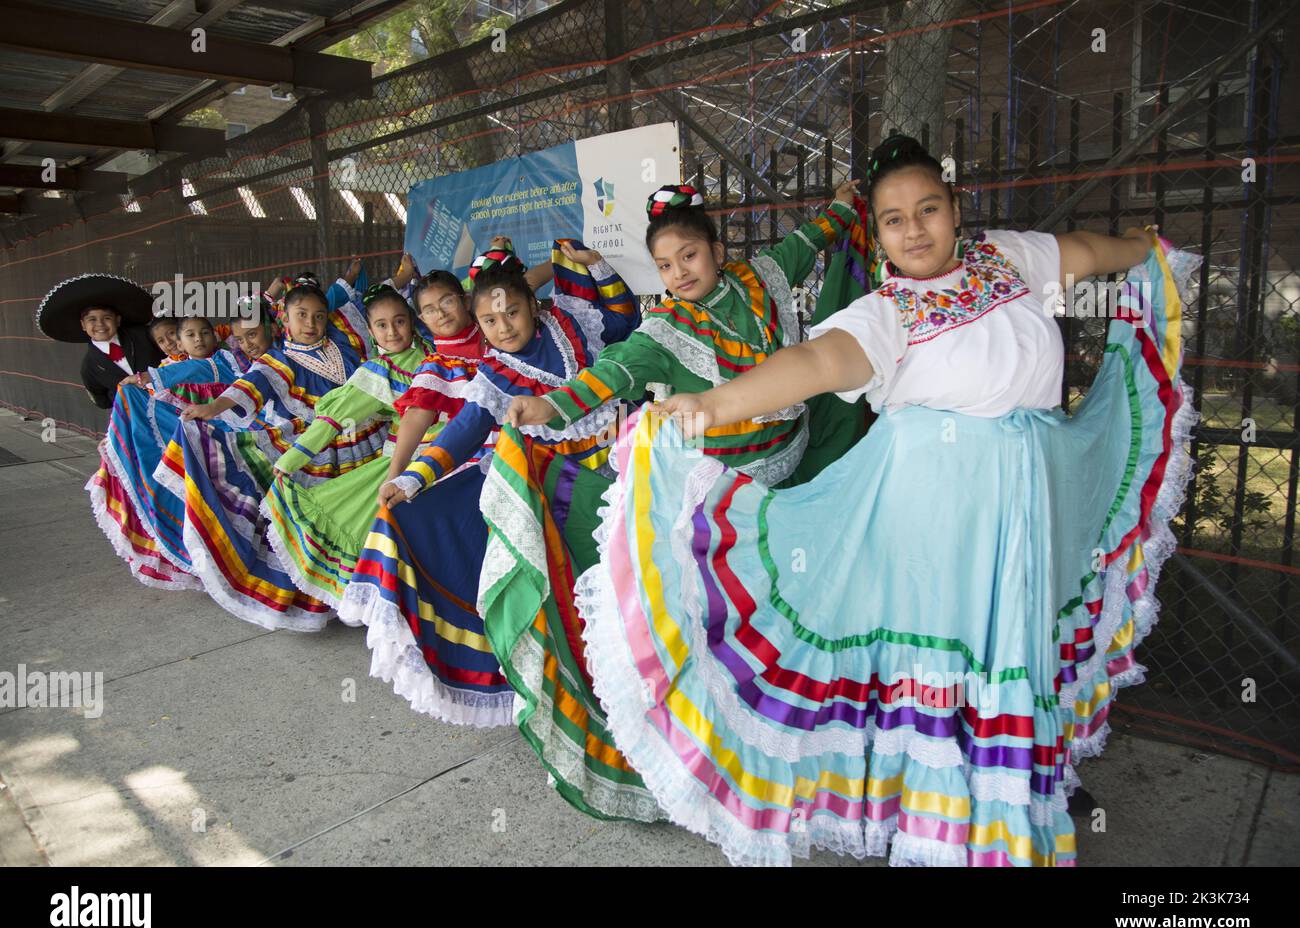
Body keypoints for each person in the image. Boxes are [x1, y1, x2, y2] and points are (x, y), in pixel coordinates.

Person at [572, 134, 1200, 867]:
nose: (915, 229)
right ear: (878, 231)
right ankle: (951, 822)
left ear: (955, 208)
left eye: (928, 208)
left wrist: (1136, 246)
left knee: (1019, 639)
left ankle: (1028, 782)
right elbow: (811, 362)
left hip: (1031, 503)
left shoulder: (1010, 257)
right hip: (934, 520)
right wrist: (711, 405)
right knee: (954, 651)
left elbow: (1085, 253)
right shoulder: (884, 311)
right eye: (895, 218)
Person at [481, 182, 863, 822]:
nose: (678, 273)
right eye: (663, 265)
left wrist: (848, 207)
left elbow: (810, 239)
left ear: (715, 249)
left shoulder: (761, 277)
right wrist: (548, 406)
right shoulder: (664, 326)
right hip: (723, 489)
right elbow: (616, 370)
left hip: (798, 454)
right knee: (667, 589)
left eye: (688, 256)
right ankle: (686, 734)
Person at [338, 239, 639, 727]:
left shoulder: (570, 324)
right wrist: (412, 479)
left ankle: (643, 676)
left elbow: (625, 321)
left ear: (533, 305)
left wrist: (599, 266)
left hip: (621, 461)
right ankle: (586, 687)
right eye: (491, 323)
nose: (504, 327)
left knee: (632, 572)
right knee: (578, 586)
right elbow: (461, 432)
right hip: (554, 490)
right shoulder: (494, 374)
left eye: (512, 313)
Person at [161, 275, 389, 630]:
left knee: (366, 515)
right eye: (301, 315)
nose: (310, 324)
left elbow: (366, 308)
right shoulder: (278, 361)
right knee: (320, 522)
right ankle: (322, 597)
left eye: (317, 316)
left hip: (371, 442)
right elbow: (249, 387)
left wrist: (401, 277)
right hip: (318, 451)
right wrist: (211, 409)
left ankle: (371, 590)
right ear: (285, 319)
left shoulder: (344, 340)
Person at [260, 283, 461, 611]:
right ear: (370, 331)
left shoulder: (431, 348)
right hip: (413, 461)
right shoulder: (379, 372)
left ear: (412, 321)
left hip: (452, 455)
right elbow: (331, 421)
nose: (392, 332)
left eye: (399, 321)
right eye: (382, 325)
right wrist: (290, 461)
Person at [87, 316, 253, 589]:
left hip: (226, 426)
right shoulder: (168, 369)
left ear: (215, 334)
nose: (198, 339)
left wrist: (144, 377)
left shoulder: (226, 359)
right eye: (190, 335)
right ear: (181, 341)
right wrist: (113, 434)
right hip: (192, 430)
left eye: (204, 332)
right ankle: (202, 551)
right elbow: (151, 403)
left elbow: (199, 370)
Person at [34, 274, 163, 410]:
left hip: (173, 405)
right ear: (83, 325)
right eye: (92, 320)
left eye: (106, 318)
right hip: (133, 418)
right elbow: (102, 401)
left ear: (117, 320)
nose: (100, 324)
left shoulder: (144, 335)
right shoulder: (89, 366)